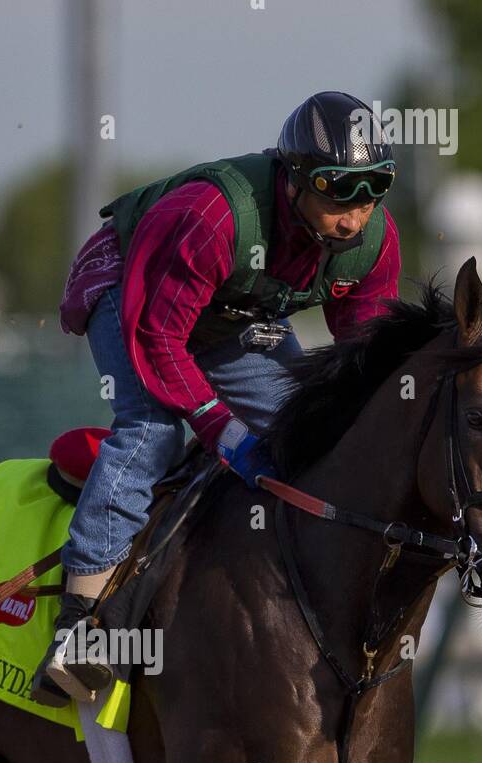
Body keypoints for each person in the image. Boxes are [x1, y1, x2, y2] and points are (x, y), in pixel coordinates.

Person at [32, 90, 401, 706]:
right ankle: (79, 627)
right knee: (154, 428)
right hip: (131, 287)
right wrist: (220, 428)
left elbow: (366, 356)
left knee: (308, 426)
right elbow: (158, 336)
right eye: (339, 188)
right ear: (292, 181)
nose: (357, 214)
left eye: (374, 188)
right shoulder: (212, 217)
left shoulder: (372, 240)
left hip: (232, 308)